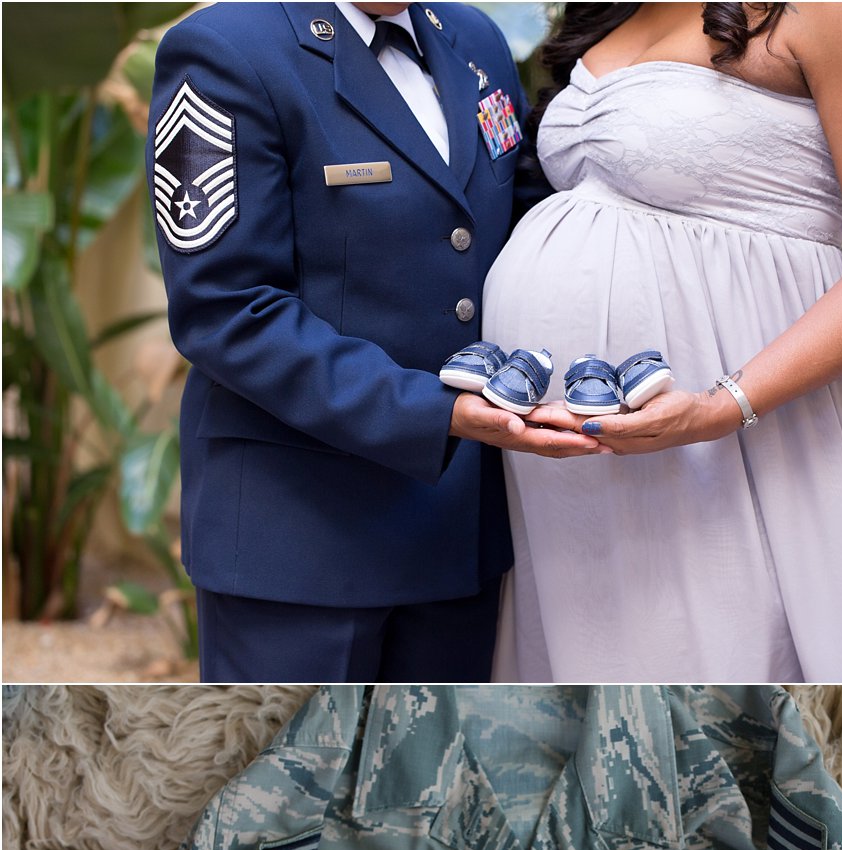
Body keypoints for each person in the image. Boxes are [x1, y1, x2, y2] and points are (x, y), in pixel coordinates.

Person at [481, 2, 842, 681]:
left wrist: (722, 406)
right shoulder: (619, 8)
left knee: (737, 673)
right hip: (574, 473)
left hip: (738, 441)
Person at [149, 1, 607, 683]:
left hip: (455, 537)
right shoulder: (221, 48)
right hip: (298, 540)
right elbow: (227, 307)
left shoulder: (473, 37)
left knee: (434, 782)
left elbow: (524, 216)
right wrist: (435, 411)